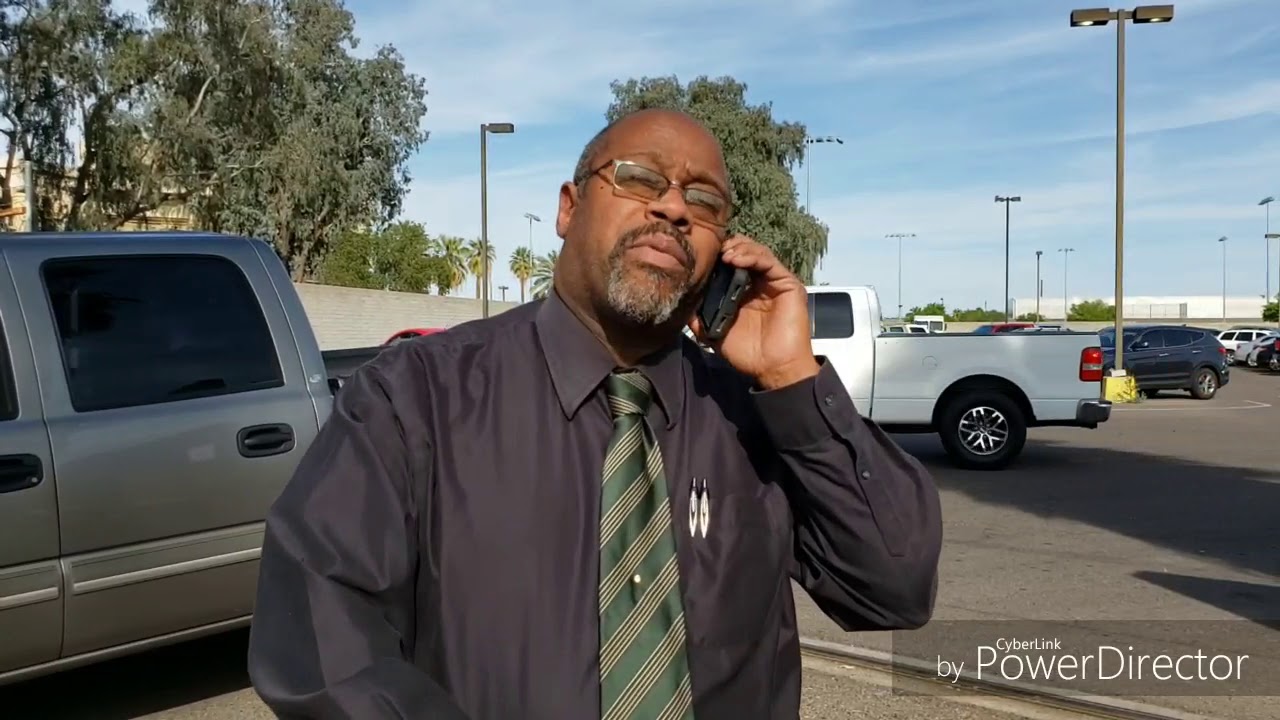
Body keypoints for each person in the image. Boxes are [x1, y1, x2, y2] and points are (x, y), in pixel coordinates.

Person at [246, 108, 943, 719]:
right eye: (641, 179)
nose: (673, 208)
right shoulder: (414, 398)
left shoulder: (753, 418)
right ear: (569, 208)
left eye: (704, 201)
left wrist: (791, 377)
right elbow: (320, 632)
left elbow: (894, 588)